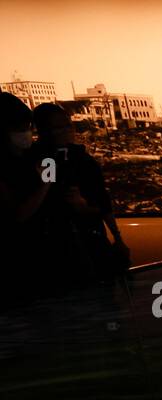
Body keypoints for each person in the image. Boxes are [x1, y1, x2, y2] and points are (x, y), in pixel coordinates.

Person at [32, 103, 130, 289]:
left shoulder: (83, 160)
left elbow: (102, 200)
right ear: (43, 130)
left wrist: (117, 238)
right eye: (58, 127)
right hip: (56, 250)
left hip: (92, 242)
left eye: (68, 125)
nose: (67, 131)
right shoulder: (40, 160)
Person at [0, 93, 48, 311]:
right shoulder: (5, 168)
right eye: (19, 128)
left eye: (28, 126)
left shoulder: (30, 158)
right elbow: (18, 215)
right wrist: (46, 184)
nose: (27, 133)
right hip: (17, 263)